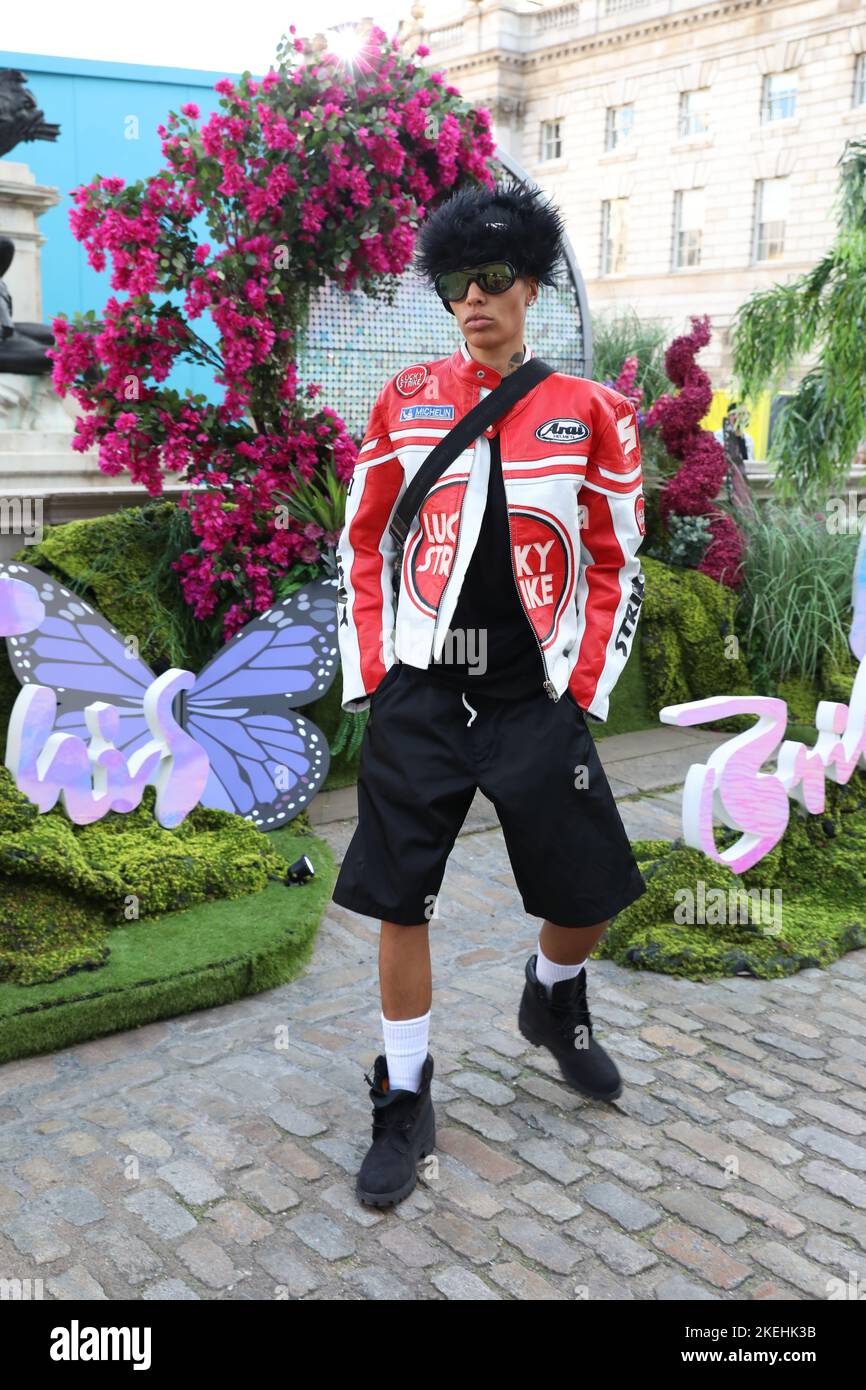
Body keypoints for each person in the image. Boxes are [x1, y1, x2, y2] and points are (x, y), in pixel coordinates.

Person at [332, 178, 649, 1208]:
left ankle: (552, 996)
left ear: (530, 285)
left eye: (493, 278)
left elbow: (615, 562)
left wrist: (584, 689)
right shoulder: (404, 400)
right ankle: (405, 1088)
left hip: (531, 699)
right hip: (421, 692)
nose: (473, 297)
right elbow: (365, 539)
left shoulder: (591, 413)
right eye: (455, 282)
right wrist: (376, 671)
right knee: (398, 895)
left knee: (589, 892)